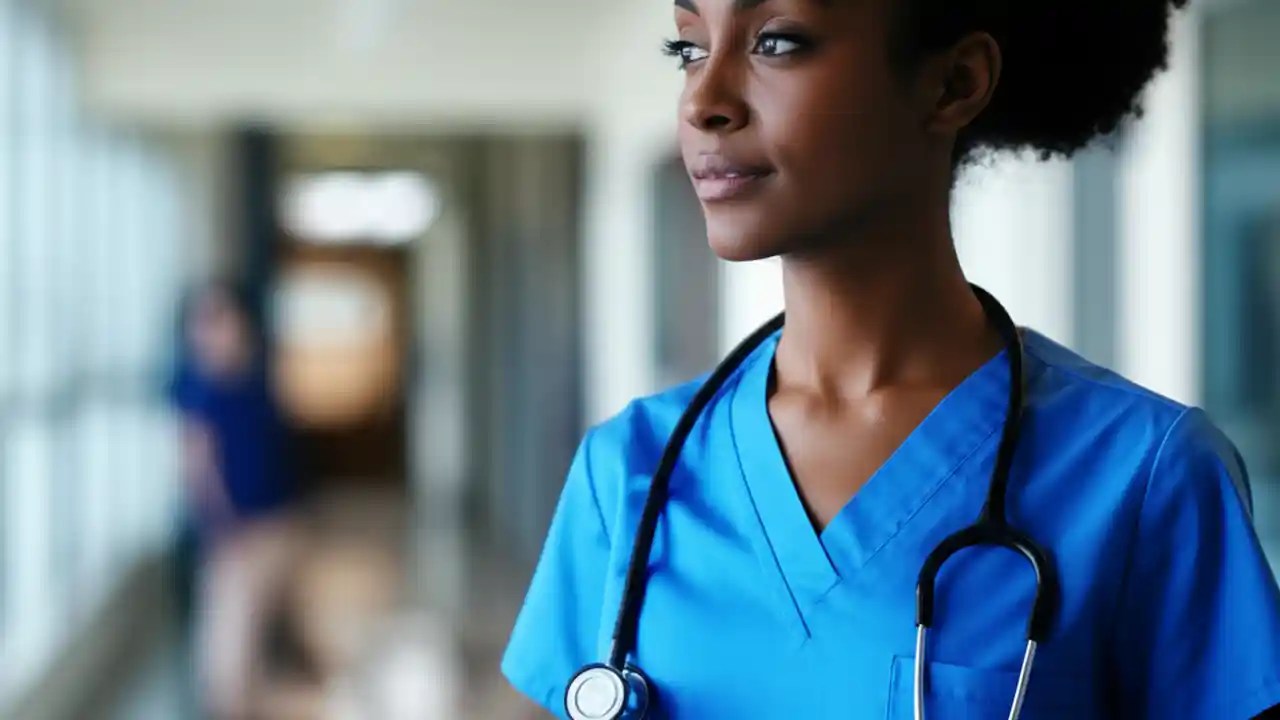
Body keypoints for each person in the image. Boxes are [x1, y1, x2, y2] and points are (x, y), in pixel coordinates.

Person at [501, 0, 1280, 718]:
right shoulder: (630, 471)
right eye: (689, 47)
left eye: (776, 42)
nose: (704, 101)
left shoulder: (1143, 475)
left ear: (952, 84)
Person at [171, 280, 300, 720]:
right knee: (226, 650)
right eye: (204, 323)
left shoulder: (254, 377)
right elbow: (197, 468)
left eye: (222, 320)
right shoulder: (198, 388)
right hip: (236, 533)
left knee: (258, 637)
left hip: (275, 520)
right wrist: (223, 527)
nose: (214, 333)